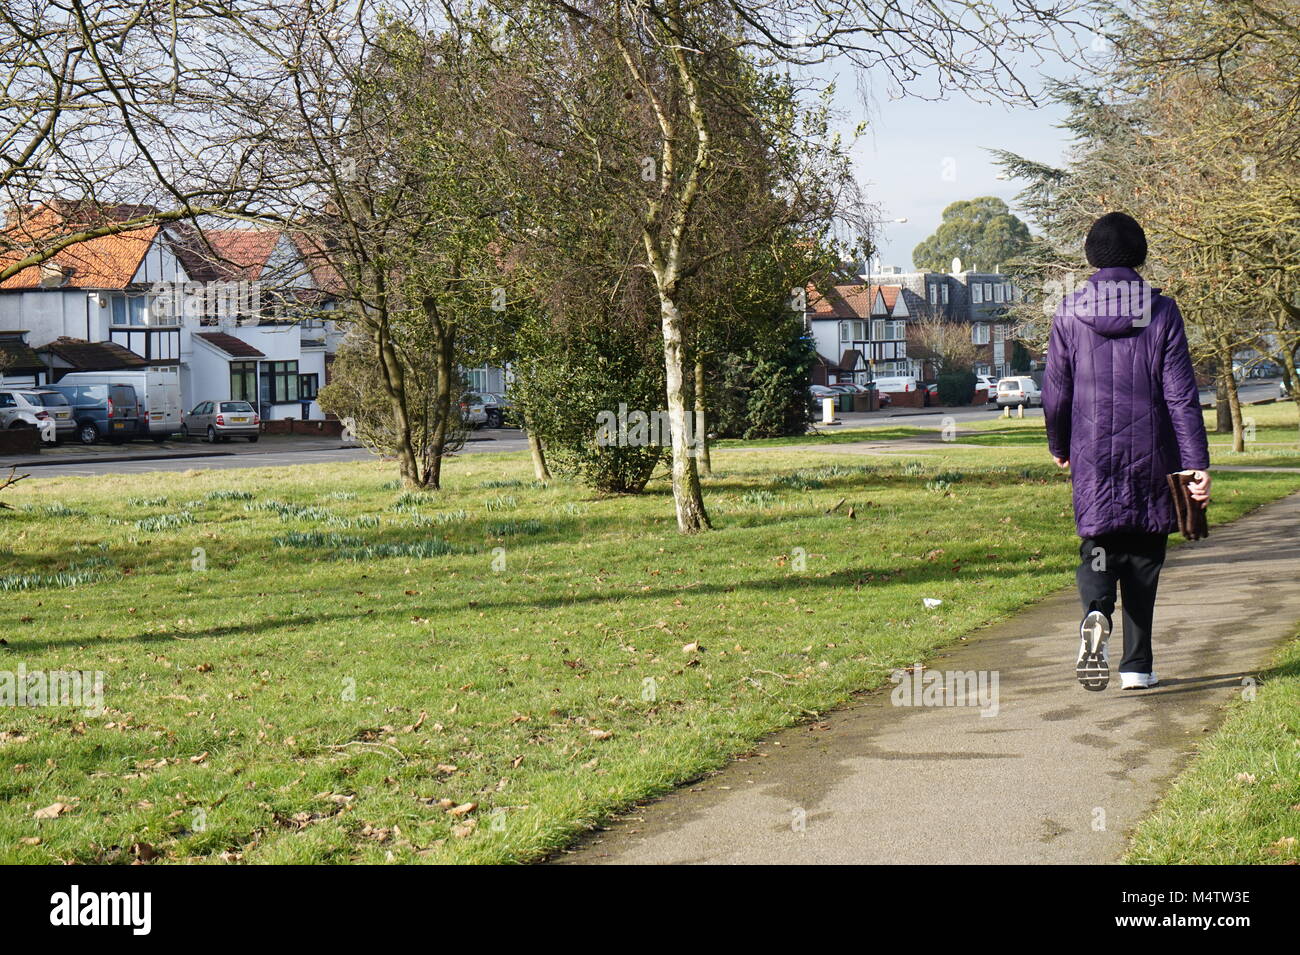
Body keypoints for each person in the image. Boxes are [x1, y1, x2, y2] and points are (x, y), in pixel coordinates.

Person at [1043, 211, 1211, 691]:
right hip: (1152, 455)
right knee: (1143, 556)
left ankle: (1096, 612)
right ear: (1139, 254)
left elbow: (1055, 393)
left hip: (1093, 455)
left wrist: (1059, 445)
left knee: (1099, 546)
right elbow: (1181, 396)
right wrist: (1195, 464)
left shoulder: (1068, 313)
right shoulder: (1163, 311)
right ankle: (1137, 666)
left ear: (1091, 256)